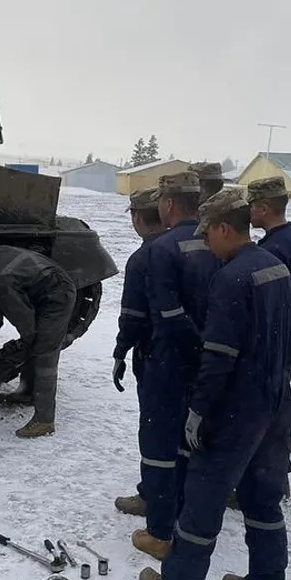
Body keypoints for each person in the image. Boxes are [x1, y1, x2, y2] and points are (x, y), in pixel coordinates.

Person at [138, 188, 291, 580]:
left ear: (226, 228)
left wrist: (199, 410)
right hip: (275, 400)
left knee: (202, 498)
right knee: (263, 497)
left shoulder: (232, 278)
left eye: (210, 234)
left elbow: (219, 355)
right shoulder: (275, 267)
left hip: (234, 407)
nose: (206, 243)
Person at [131, 171, 221, 561]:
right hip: (206, 360)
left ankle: (159, 530)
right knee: (189, 442)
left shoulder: (160, 248)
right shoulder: (212, 244)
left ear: (166, 204)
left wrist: (125, 348)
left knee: (157, 444)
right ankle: (183, 512)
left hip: (167, 359)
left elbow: (165, 313)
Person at [247, 176, 291, 497]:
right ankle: (275, 480)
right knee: (276, 411)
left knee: (266, 417)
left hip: (275, 342)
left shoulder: (274, 249)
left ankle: (268, 485)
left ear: (264, 208)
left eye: (251, 208)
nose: (248, 214)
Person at [0, 245, 77, 437]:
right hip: (49, 283)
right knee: (36, 343)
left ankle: (44, 420)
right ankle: (28, 391)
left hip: (57, 294)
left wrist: (31, 337)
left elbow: (23, 317)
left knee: (44, 352)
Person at [111, 187, 166, 517]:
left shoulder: (145, 257)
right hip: (192, 354)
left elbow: (133, 315)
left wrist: (121, 349)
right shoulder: (194, 245)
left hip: (155, 354)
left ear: (136, 218)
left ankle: (152, 496)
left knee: (155, 427)